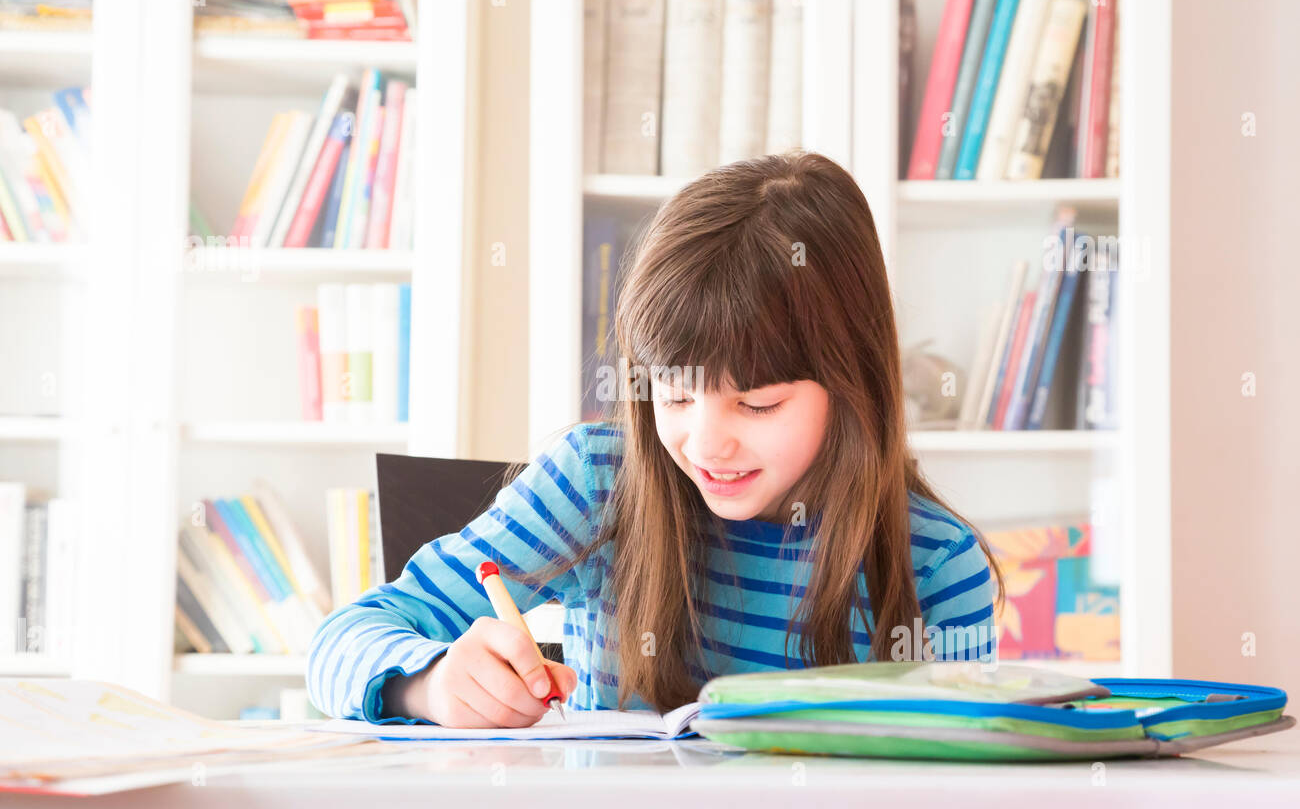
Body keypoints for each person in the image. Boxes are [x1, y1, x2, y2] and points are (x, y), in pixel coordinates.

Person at [307, 151, 1004, 726]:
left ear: (854, 385)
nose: (705, 444)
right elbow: (340, 643)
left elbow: (968, 785)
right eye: (672, 393)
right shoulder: (595, 483)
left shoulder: (936, 564)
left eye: (756, 403)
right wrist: (426, 685)